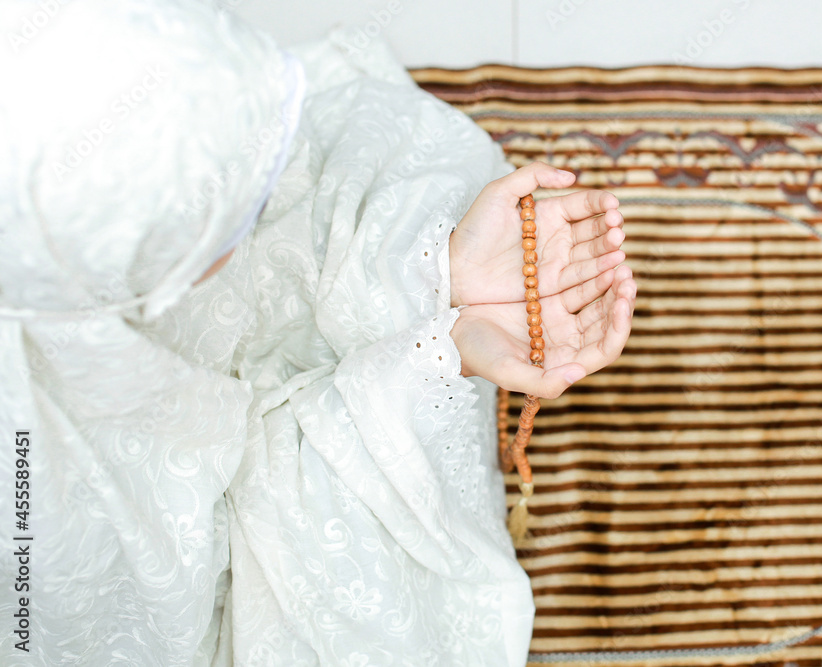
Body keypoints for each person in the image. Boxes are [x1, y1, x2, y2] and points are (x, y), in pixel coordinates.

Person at [0, 1, 636, 665]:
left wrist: (430, 272)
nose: (256, 199)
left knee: (395, 169)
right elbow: (234, 497)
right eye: (218, 222)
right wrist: (430, 357)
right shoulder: (36, 501)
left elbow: (260, 239)